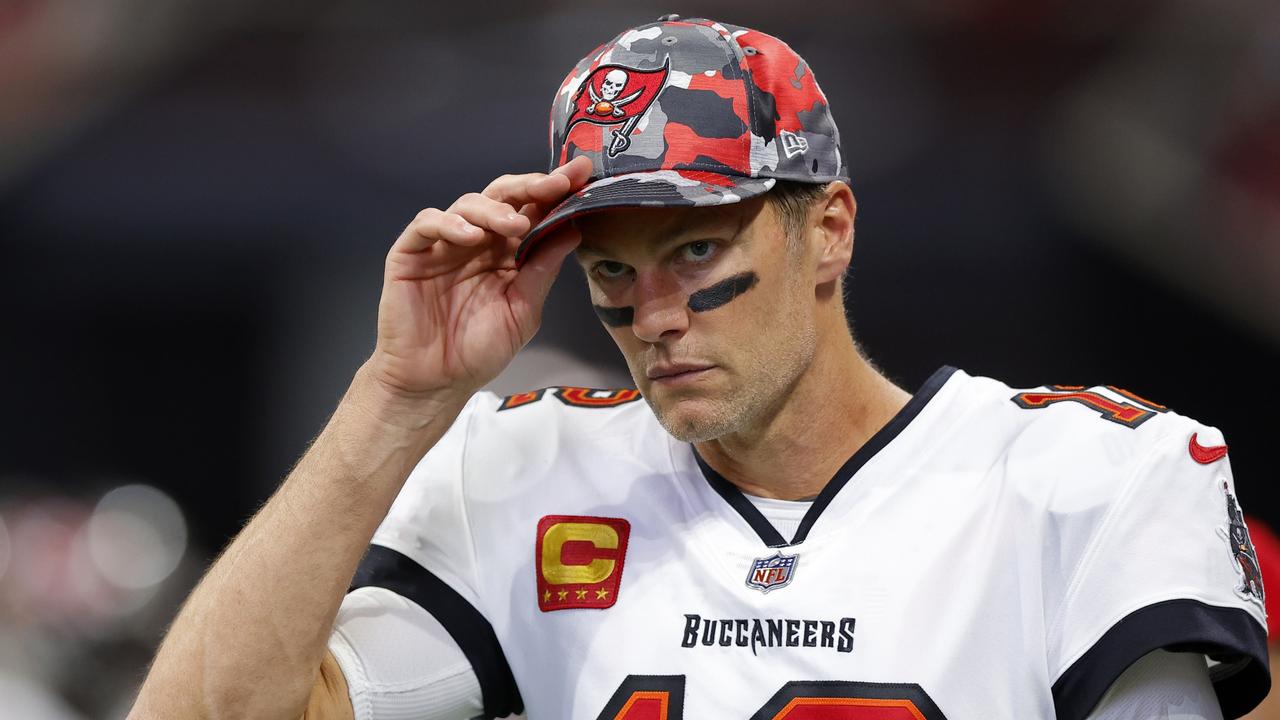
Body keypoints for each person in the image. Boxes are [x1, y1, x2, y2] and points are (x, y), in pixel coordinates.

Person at [130, 15, 1269, 720]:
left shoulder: (1087, 476)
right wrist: (396, 398)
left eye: (693, 249)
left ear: (827, 229)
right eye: (611, 268)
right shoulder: (523, 471)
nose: (653, 313)